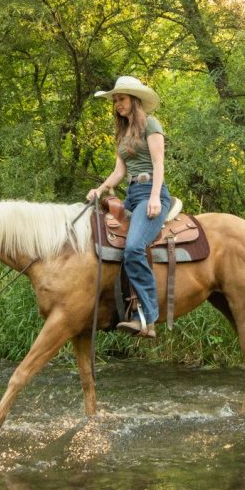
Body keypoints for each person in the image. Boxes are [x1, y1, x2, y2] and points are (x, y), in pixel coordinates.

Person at [86, 75, 171, 338]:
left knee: (134, 247)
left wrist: (155, 197)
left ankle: (148, 316)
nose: (116, 105)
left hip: (150, 192)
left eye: (120, 99)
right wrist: (100, 189)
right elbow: (119, 171)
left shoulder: (152, 124)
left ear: (134, 100)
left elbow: (158, 164)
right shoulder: (123, 132)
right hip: (132, 194)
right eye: (114, 101)